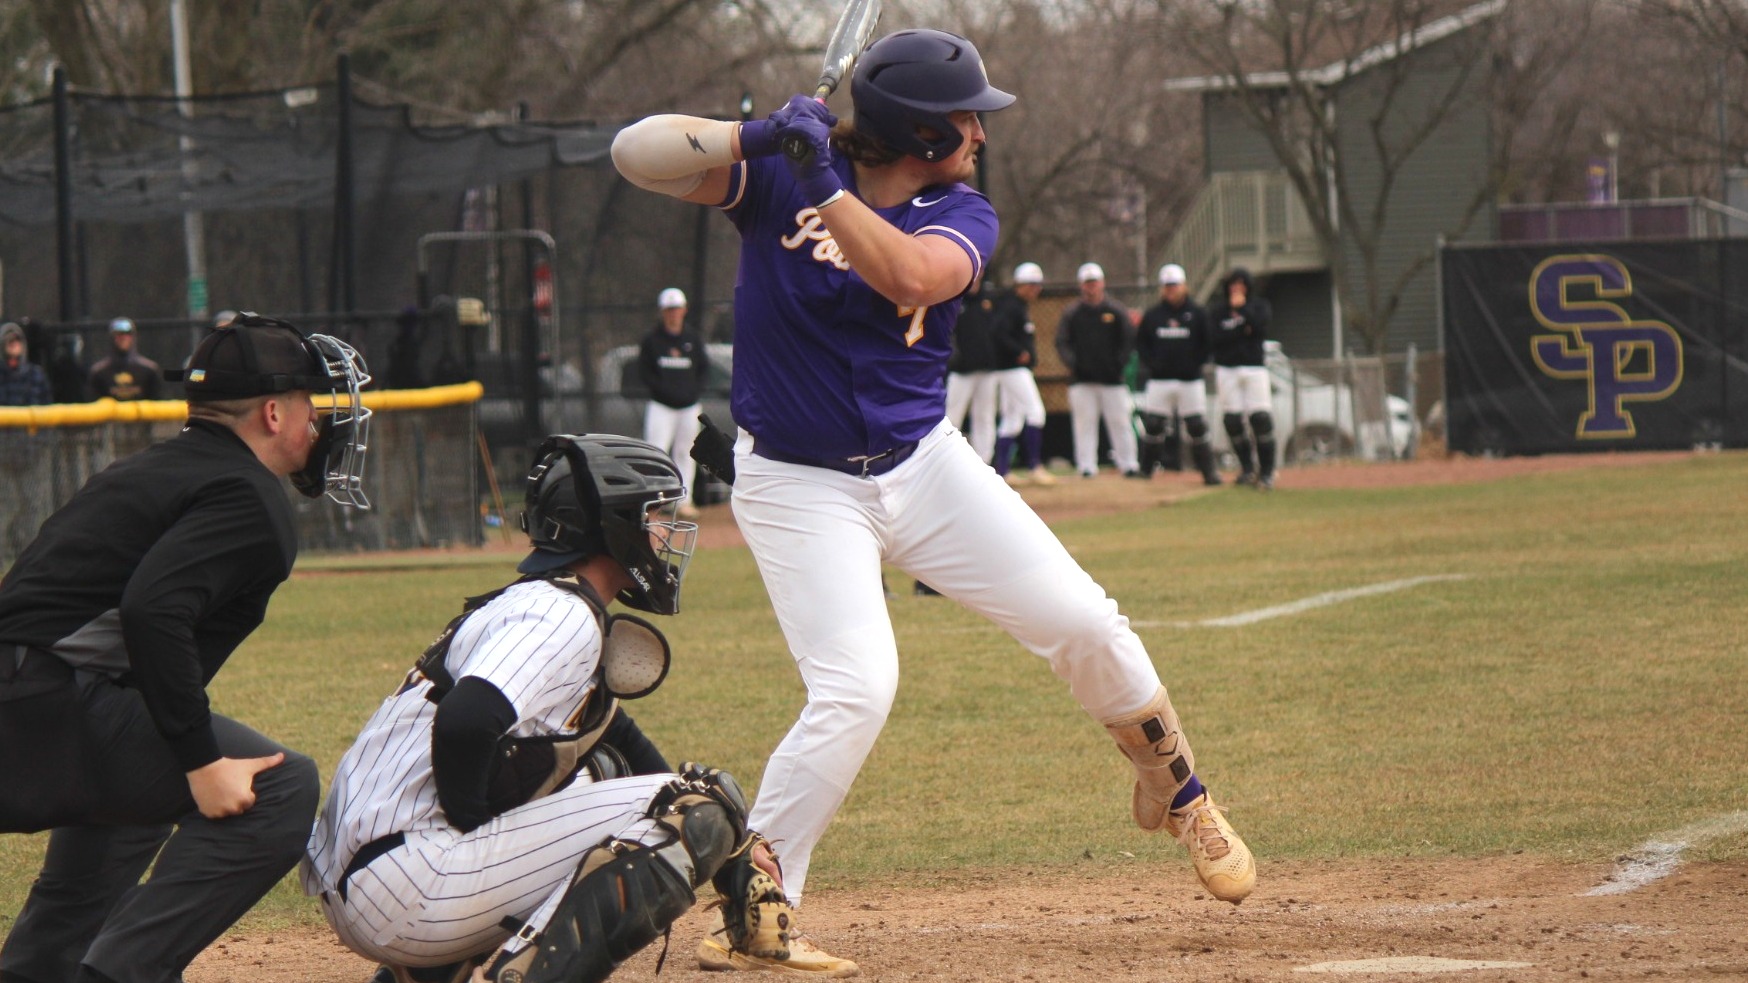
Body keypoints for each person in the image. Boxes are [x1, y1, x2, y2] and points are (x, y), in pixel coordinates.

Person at [610, 24, 1255, 973]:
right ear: (916, 134)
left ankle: (1180, 790)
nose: (980, 135)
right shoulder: (784, 171)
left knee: (1085, 619)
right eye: (965, 121)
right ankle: (760, 900)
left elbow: (909, 274)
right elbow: (637, 154)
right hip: (797, 481)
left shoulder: (960, 211)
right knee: (858, 684)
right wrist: (757, 138)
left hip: (922, 463)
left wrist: (820, 181)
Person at [306, 435, 805, 983]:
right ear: (615, 525)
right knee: (698, 807)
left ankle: (427, 973)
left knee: (611, 774)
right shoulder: (559, 616)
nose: (667, 534)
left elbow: (621, 742)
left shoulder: (536, 602)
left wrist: (736, 849)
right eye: (656, 516)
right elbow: (465, 720)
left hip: (378, 878)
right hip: (411, 883)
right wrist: (475, 826)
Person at [0, 314, 372, 983]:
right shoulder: (252, 495)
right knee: (283, 786)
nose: (319, 421)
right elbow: (152, 609)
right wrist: (202, 759)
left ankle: (41, 970)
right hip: (36, 709)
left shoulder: (153, 467)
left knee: (149, 782)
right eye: (308, 404)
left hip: (31, 701)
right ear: (270, 412)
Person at [1135, 264, 1221, 485]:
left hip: (1189, 380)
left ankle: (1208, 472)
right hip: (1160, 380)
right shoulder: (1153, 315)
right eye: (1167, 286)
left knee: (1196, 426)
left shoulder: (1198, 313)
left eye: (1174, 285)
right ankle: (1146, 470)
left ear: (1184, 286)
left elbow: (1208, 343)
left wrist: (1194, 364)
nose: (1171, 290)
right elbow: (1142, 344)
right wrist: (1154, 364)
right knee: (1154, 425)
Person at [1055, 262, 1141, 478]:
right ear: (1081, 286)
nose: (1091, 287)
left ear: (1102, 284)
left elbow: (1128, 340)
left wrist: (1118, 364)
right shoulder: (1073, 313)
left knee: (1120, 422)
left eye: (1094, 283)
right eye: (1087, 283)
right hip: (1082, 380)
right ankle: (1086, 466)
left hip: (1112, 379)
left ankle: (1129, 463)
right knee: (1084, 424)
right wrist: (1074, 364)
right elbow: (1062, 342)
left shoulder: (1115, 311)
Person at [637, 288, 709, 518]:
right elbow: (645, 371)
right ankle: (655, 501)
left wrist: (692, 391)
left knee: (686, 452)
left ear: (684, 310)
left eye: (676, 309)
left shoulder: (692, 339)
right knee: (656, 452)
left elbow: (703, 369)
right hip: (661, 406)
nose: (673, 314)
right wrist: (663, 390)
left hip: (689, 407)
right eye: (669, 309)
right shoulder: (652, 340)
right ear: (662, 312)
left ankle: (683, 501)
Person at [1209, 267, 1276, 489]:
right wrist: (1241, 331)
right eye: (1232, 285)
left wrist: (1243, 310)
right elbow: (1216, 339)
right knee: (1232, 420)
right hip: (1227, 370)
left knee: (1260, 418)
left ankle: (1267, 472)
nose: (1236, 289)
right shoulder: (1219, 311)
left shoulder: (1259, 306)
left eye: (1241, 284)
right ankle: (1247, 468)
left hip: (1254, 369)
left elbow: (1259, 329)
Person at [990, 262, 1054, 486]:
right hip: (1013, 369)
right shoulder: (1012, 306)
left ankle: (1002, 470)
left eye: (1038, 285)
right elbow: (998, 332)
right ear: (1021, 284)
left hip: (1010, 369)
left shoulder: (1018, 305)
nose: (1036, 289)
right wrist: (1019, 352)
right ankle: (1034, 466)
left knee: (1011, 419)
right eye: (1032, 285)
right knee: (1035, 412)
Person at [943, 274, 1000, 463]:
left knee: (985, 416)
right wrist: (955, 359)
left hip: (987, 370)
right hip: (961, 371)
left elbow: (996, 333)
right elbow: (946, 334)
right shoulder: (954, 299)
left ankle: (985, 461)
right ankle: (947, 462)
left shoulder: (988, 300)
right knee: (952, 417)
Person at [87, 317, 164, 401]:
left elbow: (156, 403)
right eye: (119, 334)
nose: (123, 338)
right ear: (112, 338)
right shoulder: (100, 372)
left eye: (127, 334)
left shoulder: (149, 370)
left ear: (133, 337)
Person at [1, 320, 52, 407]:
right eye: (9, 340)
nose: (14, 343)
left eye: (17, 340)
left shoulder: (36, 374)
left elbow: (47, 406)